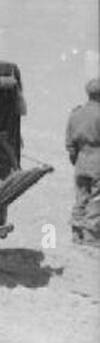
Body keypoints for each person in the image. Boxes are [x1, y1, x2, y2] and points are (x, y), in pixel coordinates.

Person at [66, 79, 100, 246]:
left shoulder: (76, 113)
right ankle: (91, 237)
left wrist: (76, 159)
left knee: (81, 197)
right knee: (96, 199)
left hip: (81, 160)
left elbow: (70, 143)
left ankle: (77, 233)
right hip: (97, 159)